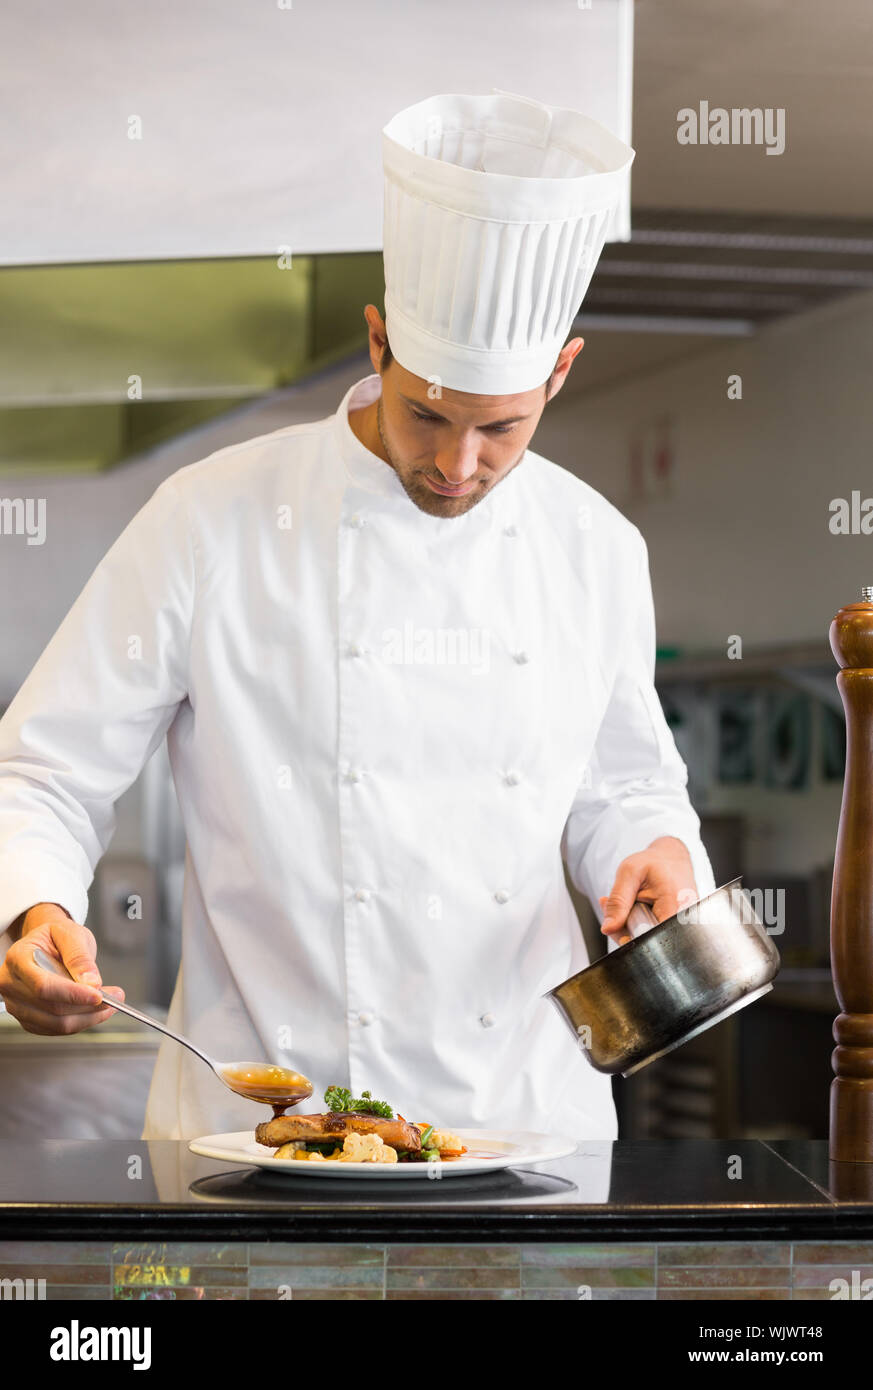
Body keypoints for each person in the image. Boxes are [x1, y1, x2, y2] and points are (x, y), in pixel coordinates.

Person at [0, 91, 714, 1140]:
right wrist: (30, 913)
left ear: (560, 374)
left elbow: (624, 785)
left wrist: (652, 849)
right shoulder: (211, 515)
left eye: (501, 428)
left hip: (524, 1118)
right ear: (377, 342)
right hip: (252, 1130)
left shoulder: (595, 545)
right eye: (428, 412)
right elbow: (47, 768)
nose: (457, 465)